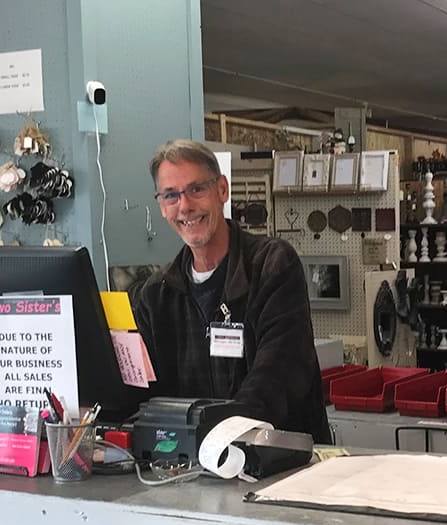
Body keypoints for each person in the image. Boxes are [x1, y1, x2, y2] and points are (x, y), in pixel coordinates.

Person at [130, 139, 331, 443]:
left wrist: (219, 435)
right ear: (161, 205)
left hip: (284, 463)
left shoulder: (271, 265)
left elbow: (276, 377)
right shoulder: (156, 296)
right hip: (195, 470)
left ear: (222, 189)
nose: (184, 206)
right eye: (171, 195)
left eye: (196, 189)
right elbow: (142, 393)